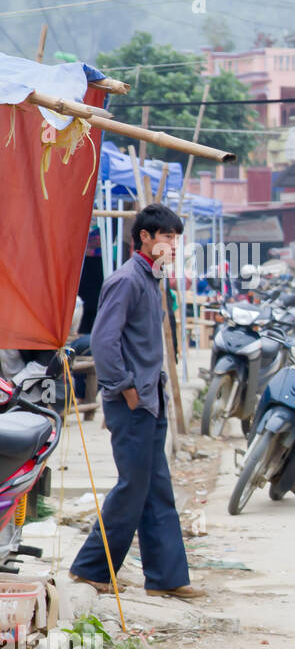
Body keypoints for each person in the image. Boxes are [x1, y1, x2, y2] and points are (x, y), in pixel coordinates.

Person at [70, 204, 202, 600]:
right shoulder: (126, 280)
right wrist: (126, 387)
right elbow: (104, 341)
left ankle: (165, 578)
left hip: (151, 400)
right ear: (144, 237)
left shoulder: (152, 279)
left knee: (156, 488)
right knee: (132, 488)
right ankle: (91, 568)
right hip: (132, 402)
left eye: (176, 239)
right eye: (166, 237)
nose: (173, 246)